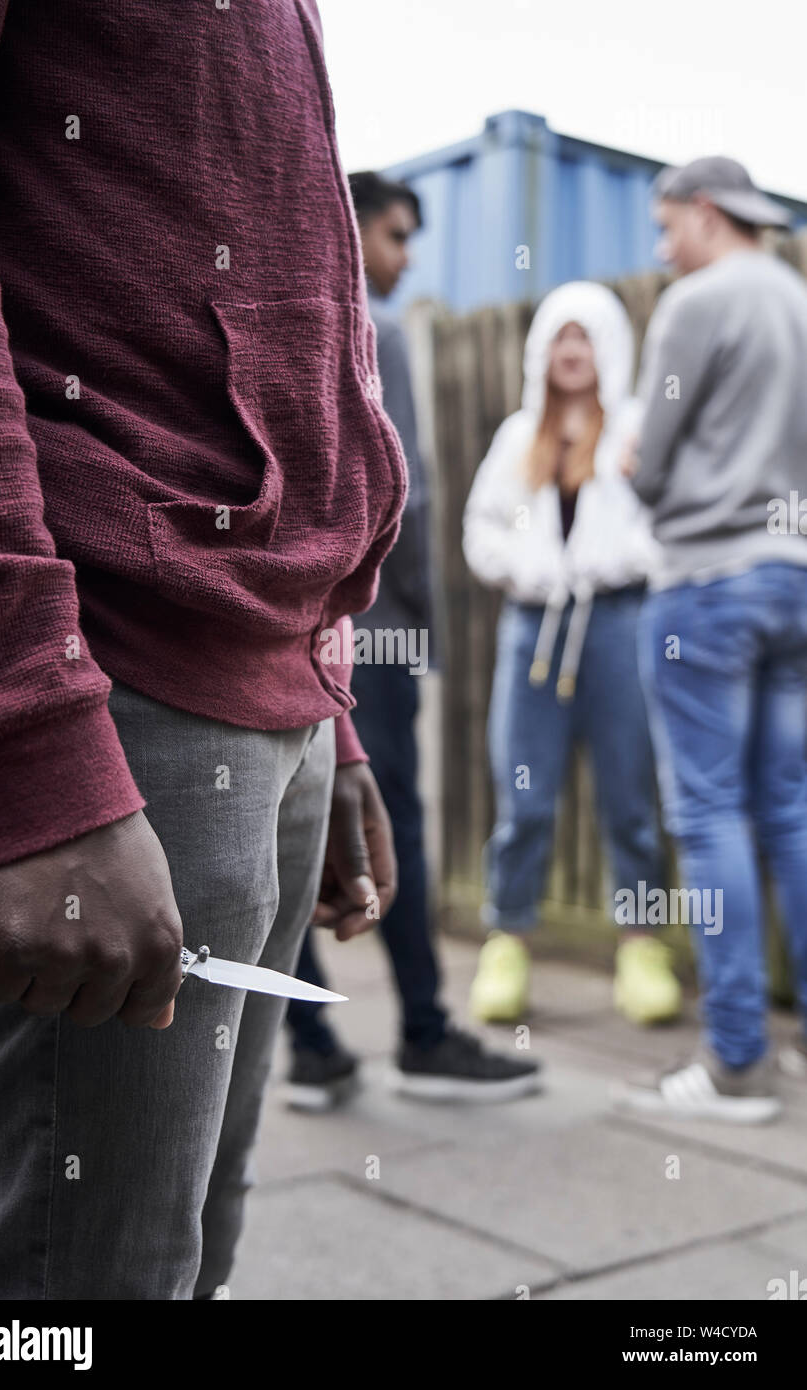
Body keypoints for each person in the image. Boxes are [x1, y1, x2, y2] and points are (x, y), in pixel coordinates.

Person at [0, 1, 402, 1301]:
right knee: (78, 1286)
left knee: (180, 1253)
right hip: (104, 672)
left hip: (266, 691)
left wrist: (330, 699)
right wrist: (31, 746)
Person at [284, 172, 541, 1107]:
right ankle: (426, 1035)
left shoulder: (277, 310)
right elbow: (409, 493)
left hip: (276, 621)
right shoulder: (372, 327)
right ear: (352, 226)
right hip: (369, 621)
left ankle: (311, 1043)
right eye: (396, 236)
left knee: (283, 821)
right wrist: (418, 620)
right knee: (394, 818)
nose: (404, 259)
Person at [618, 157, 807, 1123]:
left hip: (708, 584)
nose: (662, 249)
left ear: (703, 212)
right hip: (795, 576)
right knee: (791, 808)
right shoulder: (800, 302)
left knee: (709, 814)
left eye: (665, 227)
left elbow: (649, 468)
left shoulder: (699, 302)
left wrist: (629, 458)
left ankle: (737, 1063)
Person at [463, 281, 679, 1026]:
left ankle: (642, 948)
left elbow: (671, 522)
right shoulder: (516, 436)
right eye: (562, 337)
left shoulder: (636, 429)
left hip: (621, 626)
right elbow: (480, 532)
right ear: (542, 350)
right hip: (533, 632)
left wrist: (620, 559)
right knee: (523, 799)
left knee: (632, 798)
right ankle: (508, 940)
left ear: (610, 346)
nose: (573, 352)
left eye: (586, 337)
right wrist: (524, 570)